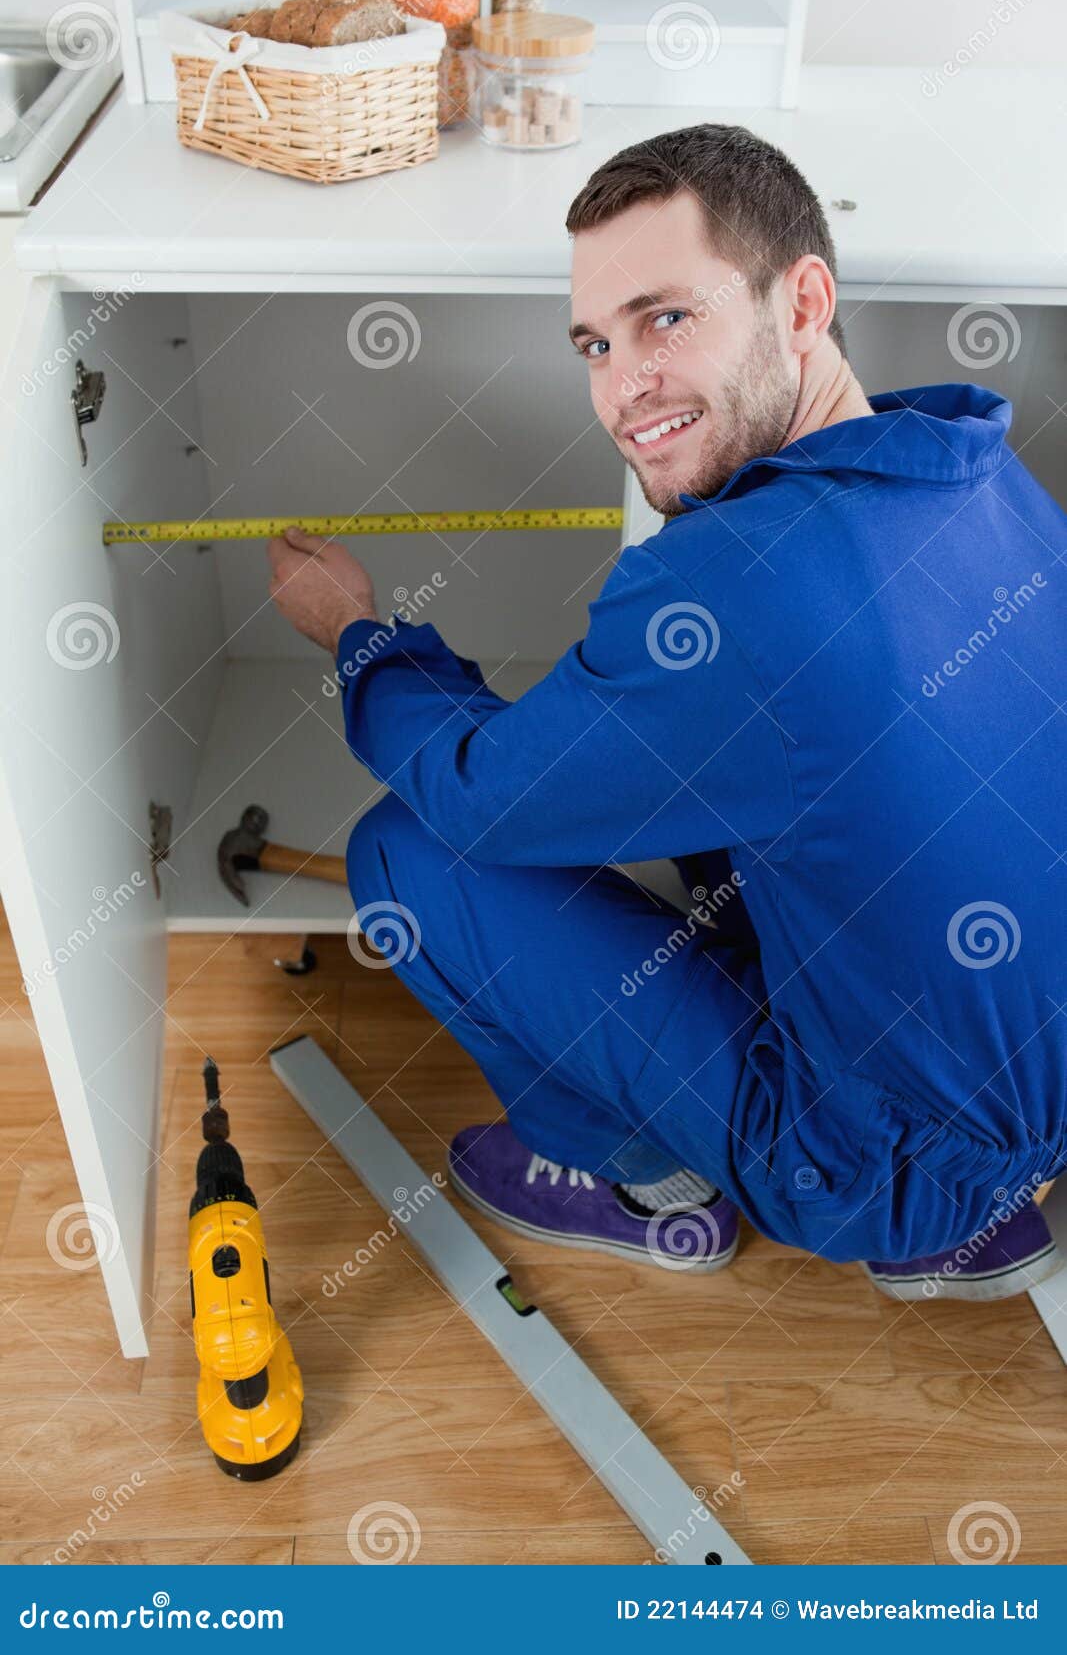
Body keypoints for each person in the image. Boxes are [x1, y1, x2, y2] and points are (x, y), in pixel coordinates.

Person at [268, 123, 1066, 1302]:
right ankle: (966, 1170)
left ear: (802, 302)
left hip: (885, 1162)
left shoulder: (737, 584)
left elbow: (486, 798)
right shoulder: (973, 467)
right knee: (727, 770)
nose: (618, 386)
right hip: (1027, 1082)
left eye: (665, 319)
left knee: (407, 847)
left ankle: (637, 1182)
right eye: (594, 341)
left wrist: (357, 634)